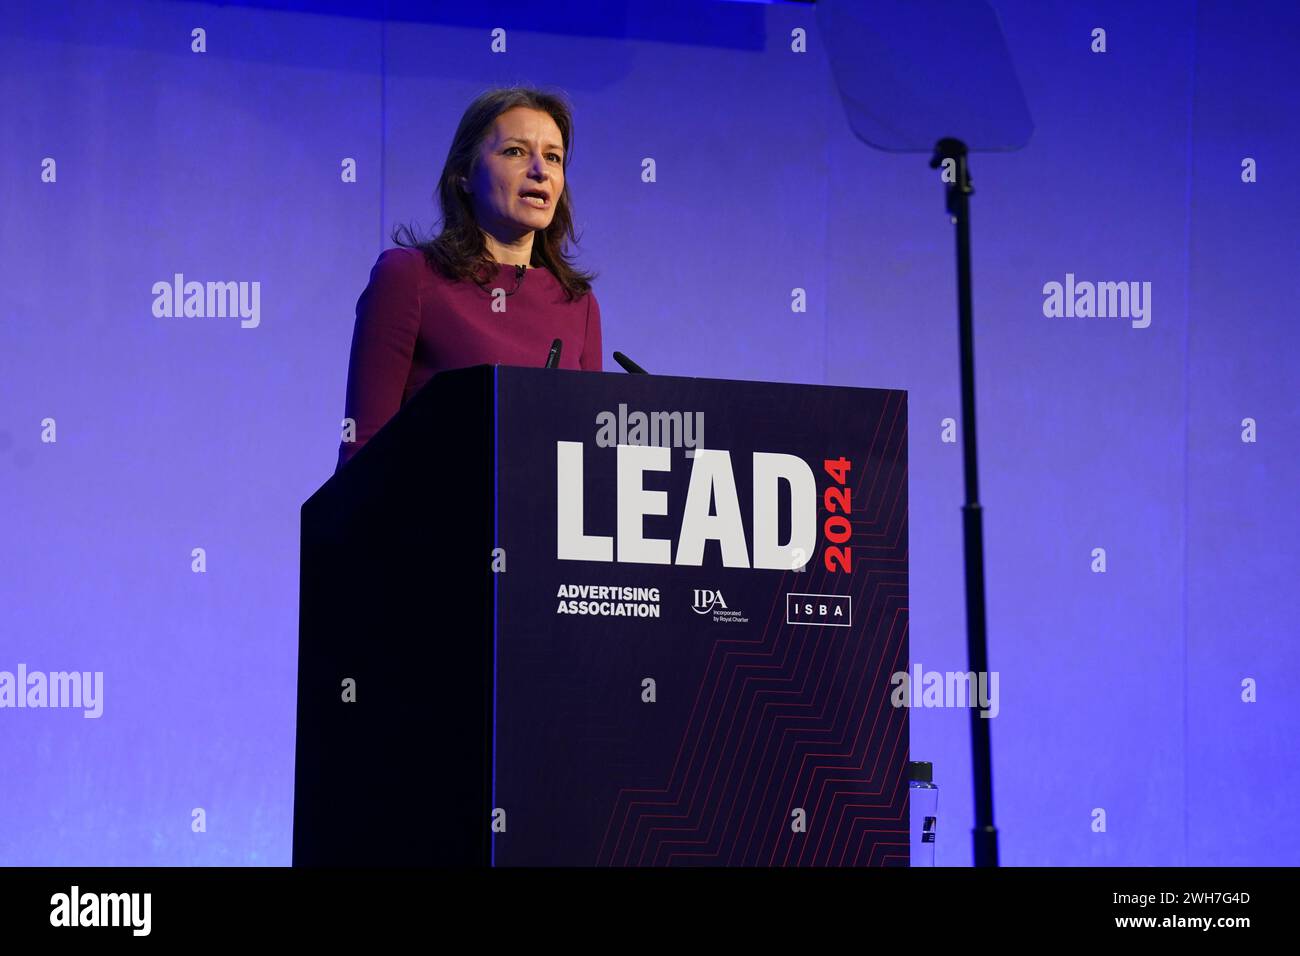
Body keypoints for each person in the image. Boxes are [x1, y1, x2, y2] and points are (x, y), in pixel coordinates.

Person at [336, 86, 603, 471]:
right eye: (515, 151)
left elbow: (587, 461)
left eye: (553, 157)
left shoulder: (579, 304)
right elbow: (363, 449)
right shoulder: (409, 278)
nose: (540, 170)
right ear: (464, 175)